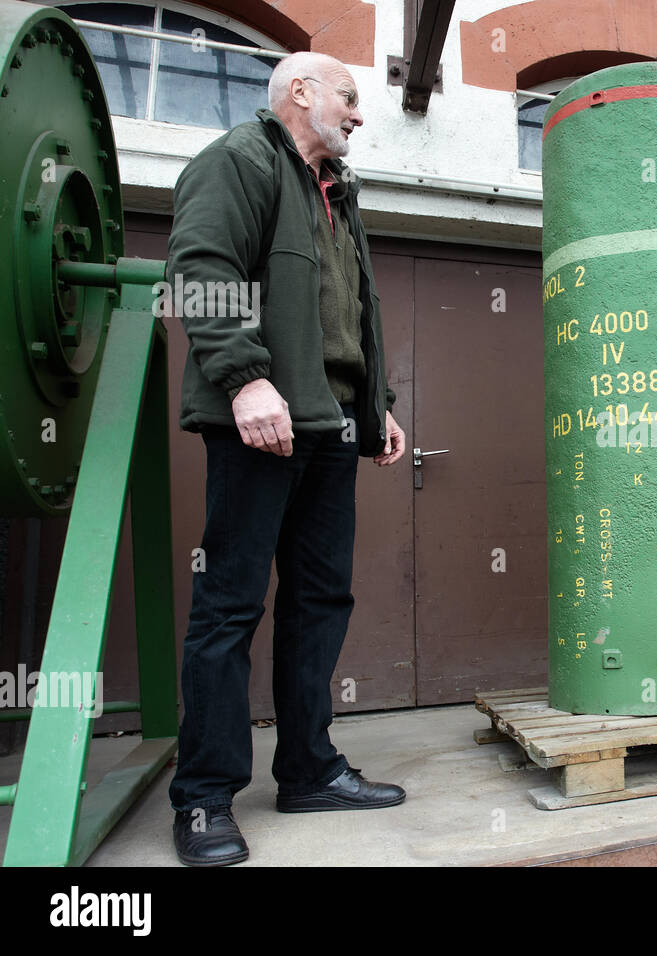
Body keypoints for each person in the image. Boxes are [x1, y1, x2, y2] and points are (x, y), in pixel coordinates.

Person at [166, 51, 408, 866]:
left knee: (319, 599)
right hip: (261, 417)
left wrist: (380, 410)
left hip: (333, 420)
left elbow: (350, 315)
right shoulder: (238, 160)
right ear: (300, 92)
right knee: (229, 607)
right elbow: (201, 272)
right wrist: (243, 380)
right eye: (350, 96)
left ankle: (308, 769)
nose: (359, 113)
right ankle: (203, 798)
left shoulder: (339, 193)